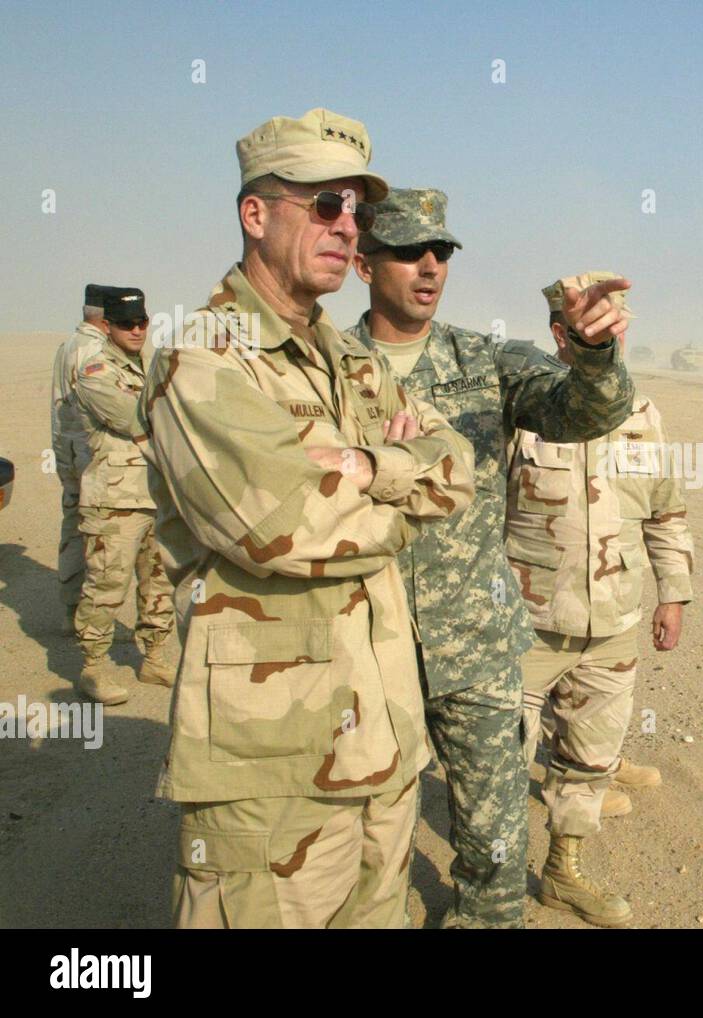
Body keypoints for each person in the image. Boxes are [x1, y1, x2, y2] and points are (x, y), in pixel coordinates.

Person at [140, 109, 476, 929]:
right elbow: (289, 531)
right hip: (277, 776)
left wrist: (369, 469)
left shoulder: (349, 357)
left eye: (357, 211)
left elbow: (458, 464)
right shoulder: (204, 359)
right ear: (256, 214)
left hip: (385, 749)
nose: (348, 228)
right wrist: (404, 490)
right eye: (325, 205)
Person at [346, 188, 636, 927]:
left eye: (441, 250)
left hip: (475, 643)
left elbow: (587, 411)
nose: (431, 264)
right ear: (360, 263)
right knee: (360, 835)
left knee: (493, 839)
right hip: (362, 644)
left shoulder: (484, 358)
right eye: (410, 250)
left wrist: (596, 353)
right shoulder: (325, 365)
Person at [507, 271, 695, 927]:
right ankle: (491, 887)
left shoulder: (641, 414)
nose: (608, 339)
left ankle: (563, 872)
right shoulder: (522, 412)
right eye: (591, 328)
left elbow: (666, 513)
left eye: (615, 328)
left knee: (587, 762)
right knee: (497, 767)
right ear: (561, 335)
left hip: (611, 624)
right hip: (526, 626)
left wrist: (673, 593)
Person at [71, 287, 176, 704]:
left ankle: (154, 656)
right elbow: (138, 418)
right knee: (105, 585)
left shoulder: (148, 368)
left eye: (142, 323)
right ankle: (92, 667)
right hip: (114, 502)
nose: (136, 331)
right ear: (107, 326)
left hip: (155, 494)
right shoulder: (94, 372)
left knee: (159, 584)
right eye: (126, 324)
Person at [51, 284, 110, 632]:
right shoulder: (94, 349)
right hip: (90, 456)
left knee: (73, 528)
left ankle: (71, 611)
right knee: (98, 536)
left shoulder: (67, 346)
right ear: (105, 319)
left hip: (67, 452)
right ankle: (90, 621)